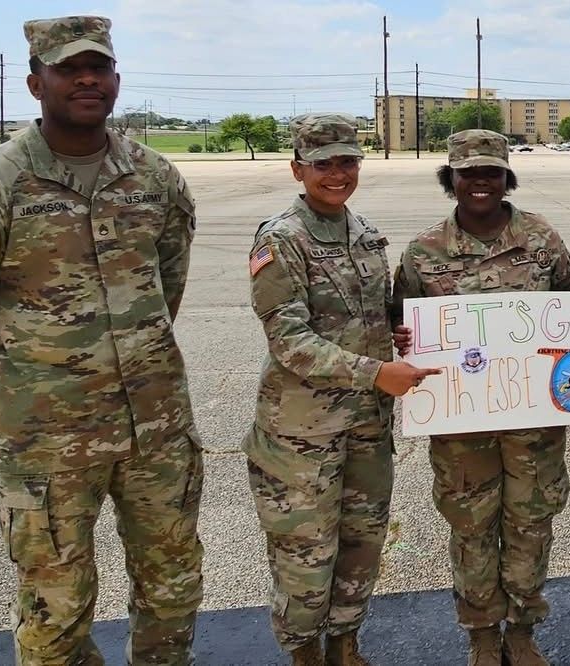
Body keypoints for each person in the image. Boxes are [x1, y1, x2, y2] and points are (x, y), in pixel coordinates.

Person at [0, 16, 203, 665]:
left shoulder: (155, 179)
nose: (87, 79)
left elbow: (168, 282)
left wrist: (133, 358)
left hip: (155, 427)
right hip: (45, 442)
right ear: (34, 82)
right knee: (55, 609)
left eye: (98, 67)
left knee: (173, 588)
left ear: (117, 79)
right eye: (69, 69)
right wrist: (14, 385)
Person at [245, 113, 437, 666]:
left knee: (363, 540)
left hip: (367, 424)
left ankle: (346, 643)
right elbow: (290, 341)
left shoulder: (366, 234)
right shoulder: (282, 239)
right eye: (322, 164)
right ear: (298, 170)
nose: (336, 173)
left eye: (346, 161)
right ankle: (305, 652)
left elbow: (371, 317)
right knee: (306, 552)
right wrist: (377, 373)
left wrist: (399, 334)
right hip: (302, 432)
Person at [390, 129, 570, 666]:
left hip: (532, 421)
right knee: (471, 527)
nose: (480, 182)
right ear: (450, 178)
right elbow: (396, 320)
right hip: (459, 422)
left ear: (506, 177)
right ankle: (480, 633)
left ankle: (522, 631)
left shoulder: (541, 238)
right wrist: (402, 337)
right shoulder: (423, 250)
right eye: (468, 172)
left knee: (530, 523)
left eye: (491, 172)